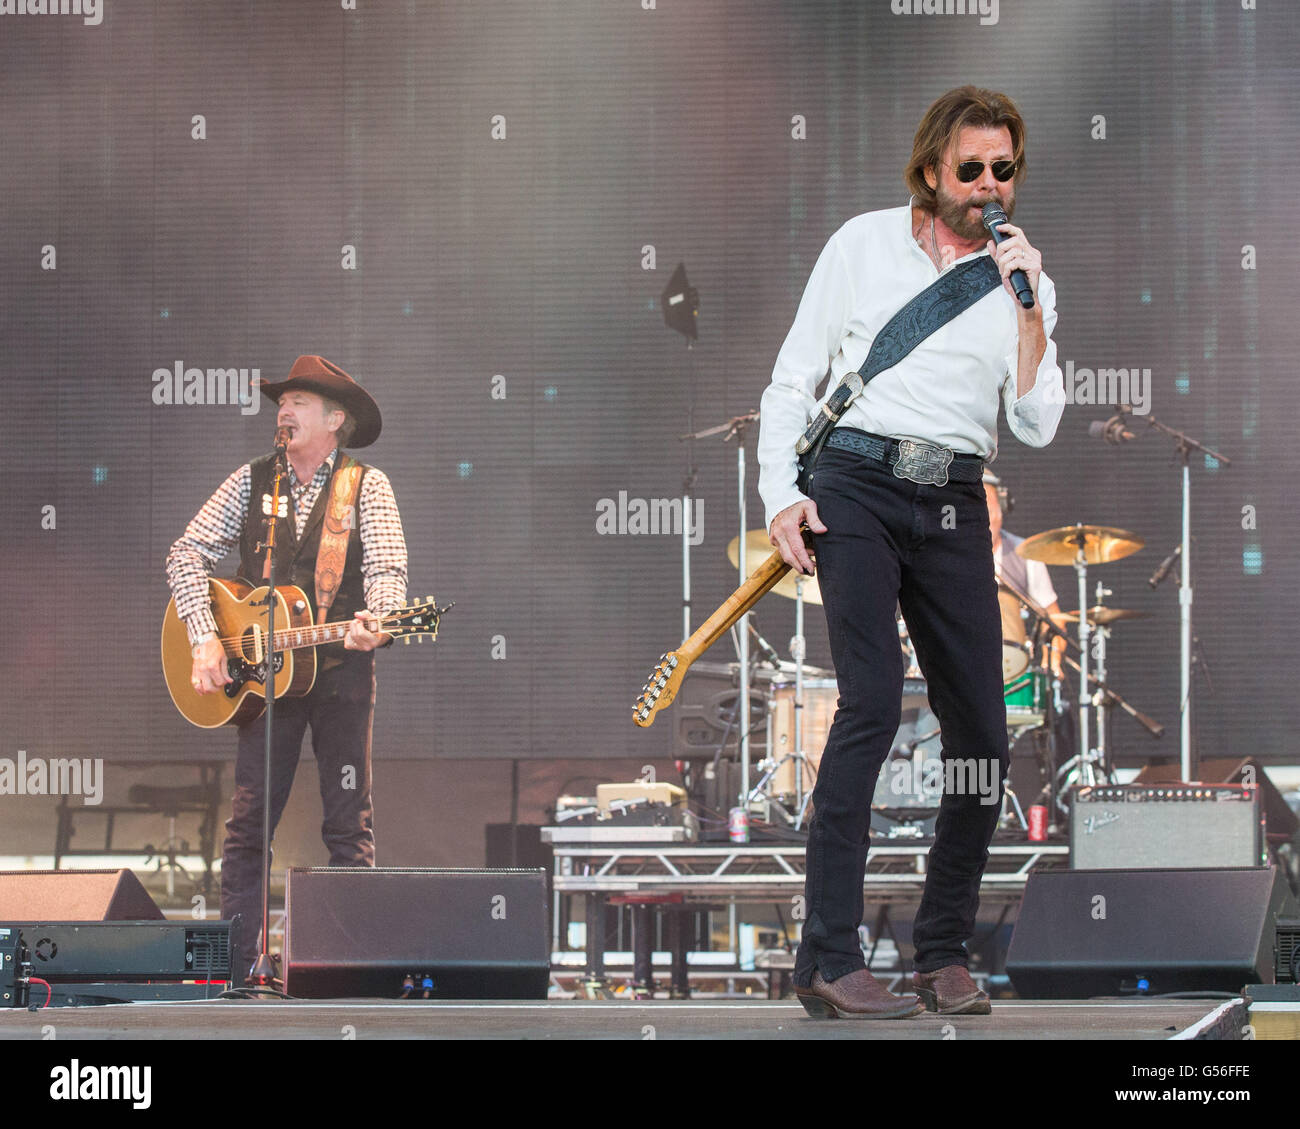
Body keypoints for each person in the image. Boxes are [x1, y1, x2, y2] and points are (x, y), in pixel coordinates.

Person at [758, 86, 1064, 1019]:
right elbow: (790, 374)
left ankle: (940, 951)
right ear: (932, 168)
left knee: (981, 731)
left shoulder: (1027, 282)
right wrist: (780, 494)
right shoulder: (861, 244)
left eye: (1001, 169)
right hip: (854, 479)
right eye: (968, 168)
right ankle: (828, 955)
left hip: (952, 497)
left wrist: (1028, 311)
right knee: (871, 703)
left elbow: (1040, 421)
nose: (985, 185)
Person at [165, 355, 408, 981]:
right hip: (263, 678)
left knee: (347, 826)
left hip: (339, 673)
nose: (285, 410)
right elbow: (186, 550)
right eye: (283, 400)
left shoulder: (366, 485)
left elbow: (387, 574)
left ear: (336, 419)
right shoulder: (252, 479)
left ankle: (351, 972)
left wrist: (378, 620)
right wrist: (203, 638)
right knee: (247, 828)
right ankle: (233, 971)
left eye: (300, 401)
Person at [985, 470, 1066, 677]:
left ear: (1002, 508)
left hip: (1012, 673)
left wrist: (1052, 659)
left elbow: (1054, 618)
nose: (984, 520)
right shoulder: (943, 556)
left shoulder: (1026, 555)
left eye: (989, 509)